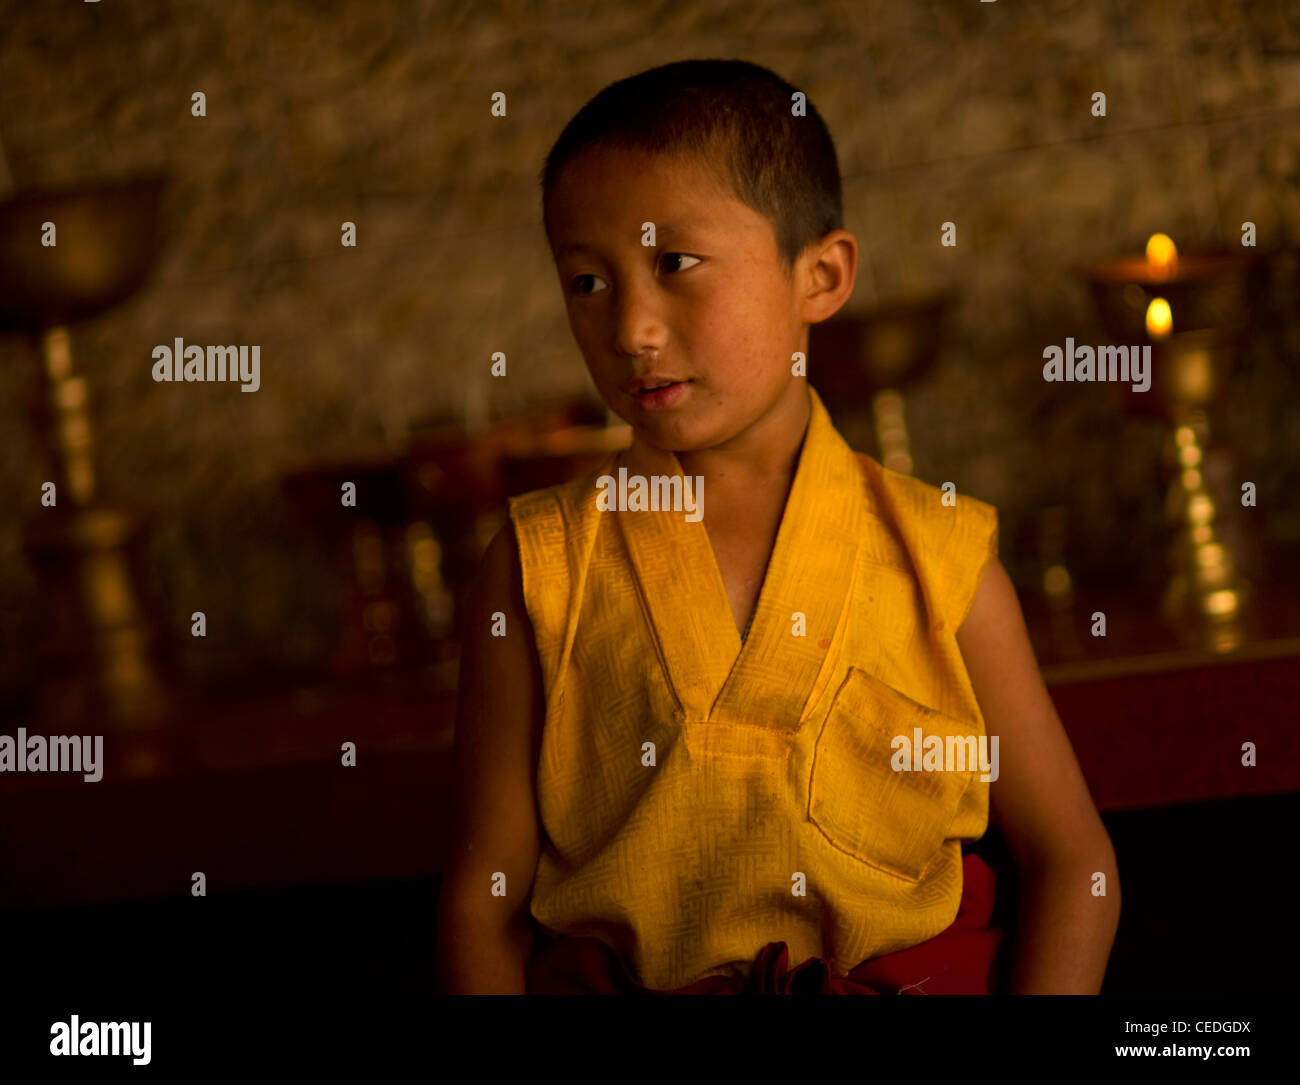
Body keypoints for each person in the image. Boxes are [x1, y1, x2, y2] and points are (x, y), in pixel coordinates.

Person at [436, 59, 1120, 995]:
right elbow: (483, 905)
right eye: (587, 282)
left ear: (822, 277)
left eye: (675, 265)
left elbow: (1074, 864)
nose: (631, 326)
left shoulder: (940, 559)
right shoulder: (537, 569)